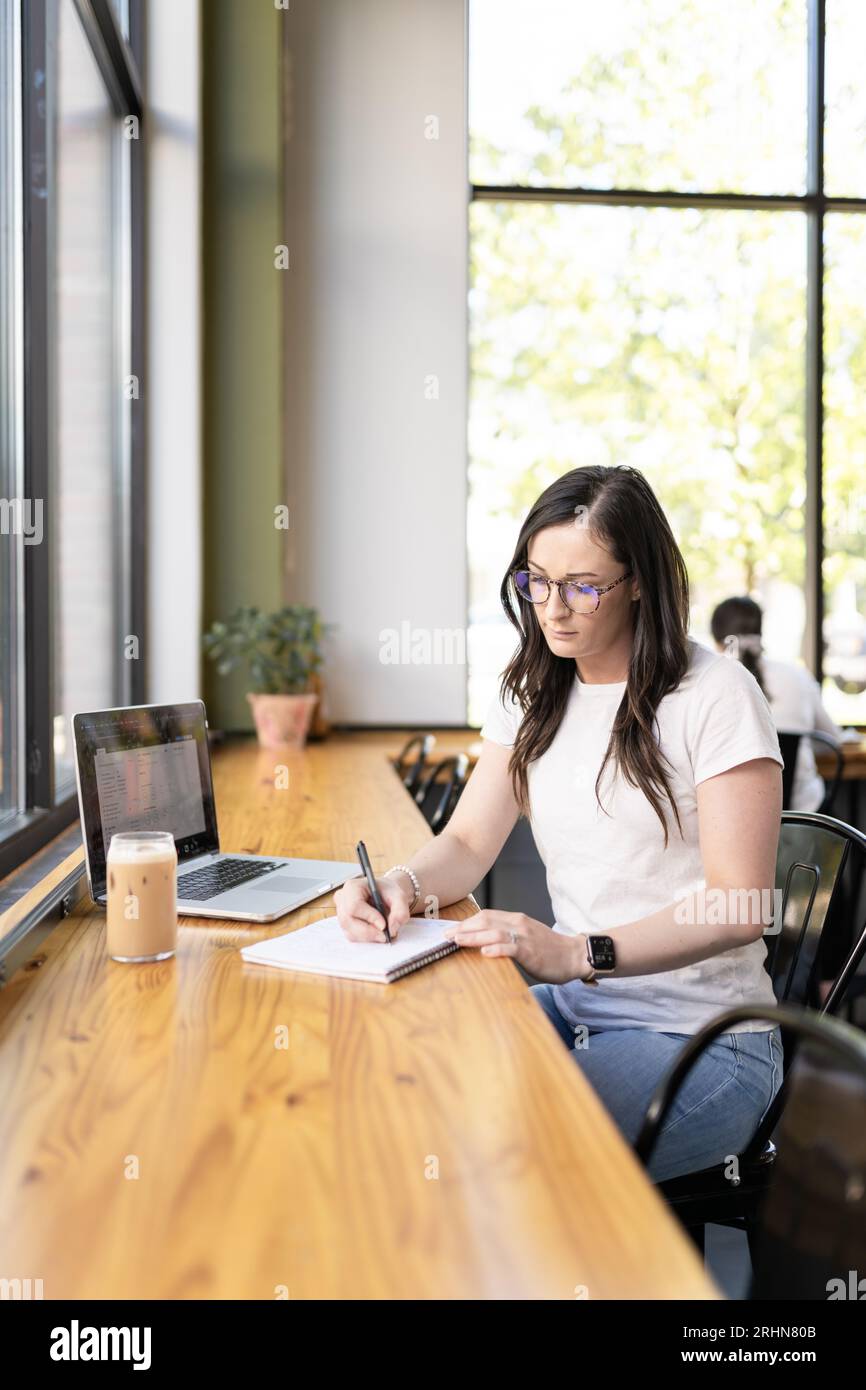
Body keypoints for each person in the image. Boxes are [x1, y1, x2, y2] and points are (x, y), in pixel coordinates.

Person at [334, 465, 784, 1183]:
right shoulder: (534, 691)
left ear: (639, 581)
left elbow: (741, 904)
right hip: (575, 1012)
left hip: (703, 1040)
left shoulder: (715, 695)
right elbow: (469, 841)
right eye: (535, 581)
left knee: (502, 1152)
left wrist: (578, 953)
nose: (554, 608)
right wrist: (401, 883)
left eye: (582, 585)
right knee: (401, 1075)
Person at [710, 595, 845, 812]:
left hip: (737, 822)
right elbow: (832, 739)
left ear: (717, 641)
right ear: (760, 632)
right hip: (805, 821)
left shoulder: (710, 685)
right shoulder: (797, 677)